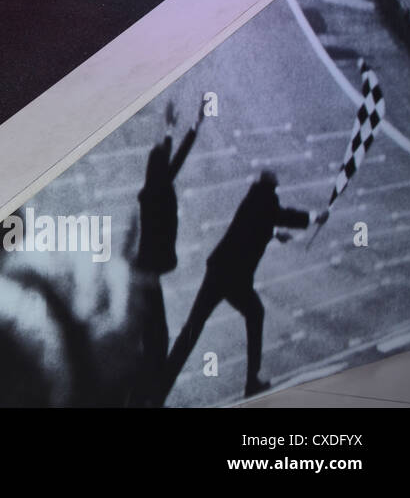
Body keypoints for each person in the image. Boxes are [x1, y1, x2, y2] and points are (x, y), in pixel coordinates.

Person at [159, 171, 328, 403]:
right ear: (272, 188)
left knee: (193, 326)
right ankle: (251, 381)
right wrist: (315, 217)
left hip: (217, 270)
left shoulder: (252, 199)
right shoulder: (268, 202)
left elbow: (257, 223)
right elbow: (282, 215)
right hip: (235, 280)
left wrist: (274, 234)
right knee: (255, 314)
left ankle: (161, 385)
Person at [128, 100, 202, 405]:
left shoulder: (154, 189)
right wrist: (186, 128)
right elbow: (174, 160)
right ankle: (142, 390)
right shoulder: (155, 193)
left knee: (155, 337)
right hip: (146, 276)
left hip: (146, 273)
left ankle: (142, 387)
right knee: (156, 337)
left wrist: (179, 128)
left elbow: (173, 158)